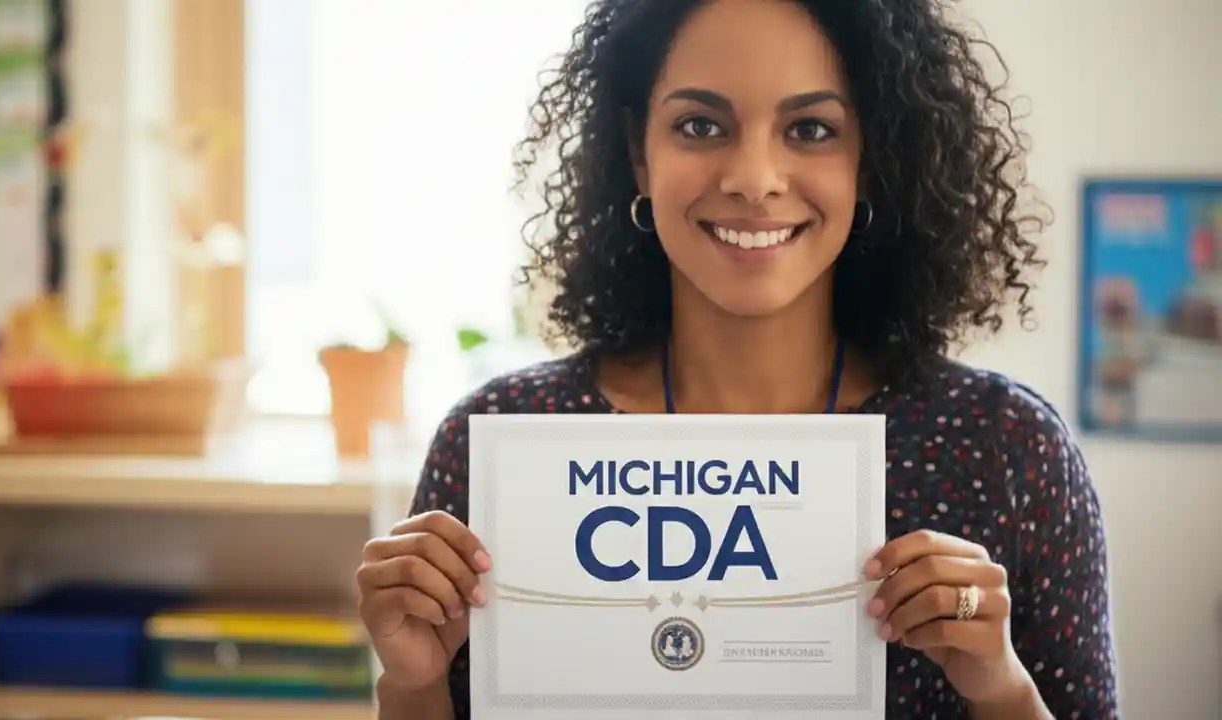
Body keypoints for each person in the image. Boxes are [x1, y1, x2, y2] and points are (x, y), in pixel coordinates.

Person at [355, 0, 1119, 718]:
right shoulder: (501, 438)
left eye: (812, 129)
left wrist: (1002, 688)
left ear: (871, 157)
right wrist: (413, 683)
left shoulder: (1004, 448)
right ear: (638, 154)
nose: (753, 179)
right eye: (699, 125)